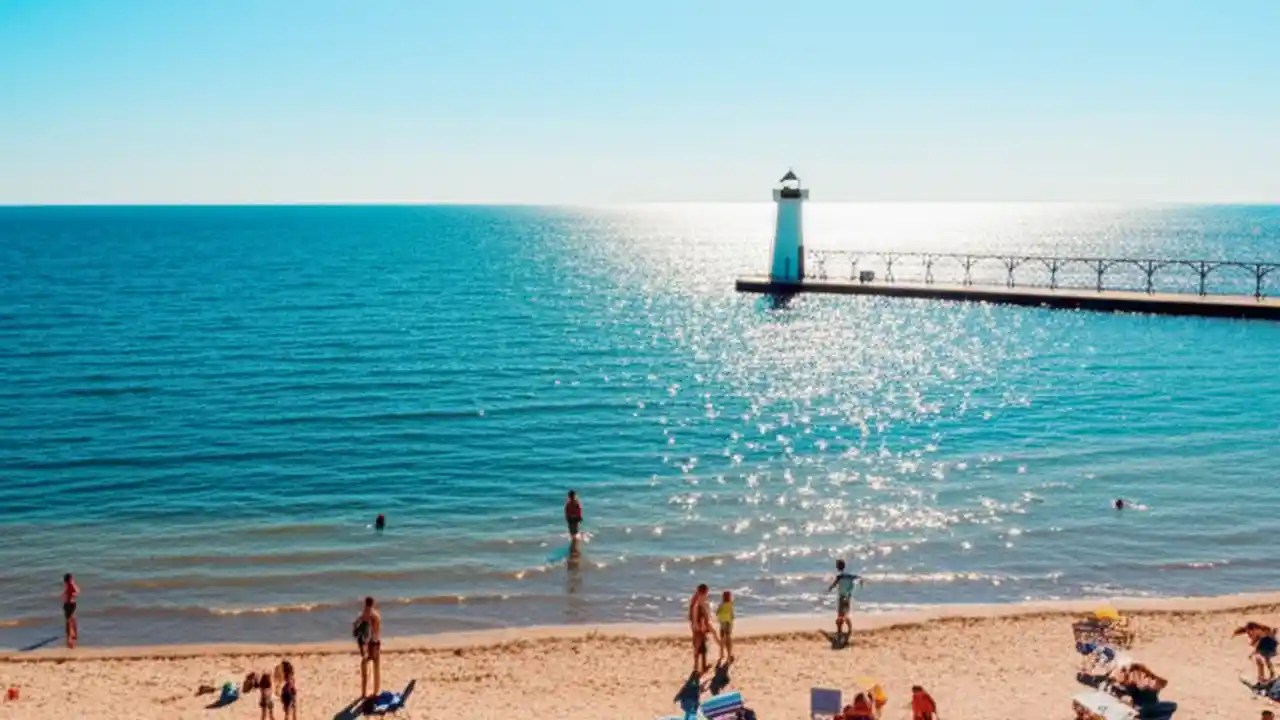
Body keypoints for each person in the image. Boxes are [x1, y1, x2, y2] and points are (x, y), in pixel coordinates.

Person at [354, 597, 383, 699]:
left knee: (364, 667)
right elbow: (377, 630)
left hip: (368, 644)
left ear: (365, 603)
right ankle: (375, 692)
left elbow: (355, 625)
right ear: (373, 603)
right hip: (376, 643)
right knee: (376, 667)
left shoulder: (364, 614)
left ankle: (364, 693)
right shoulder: (376, 615)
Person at [826, 560, 862, 640]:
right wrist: (860, 581)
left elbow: (833, 585)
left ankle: (839, 631)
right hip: (848, 597)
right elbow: (857, 578)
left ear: (837, 567)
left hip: (842, 597)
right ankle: (849, 630)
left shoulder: (839, 576)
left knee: (840, 615)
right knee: (845, 615)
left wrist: (829, 589)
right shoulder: (849, 576)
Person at [688, 584, 713, 674]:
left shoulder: (695, 599)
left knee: (701, 646)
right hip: (699, 626)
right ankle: (697, 666)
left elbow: (692, 613)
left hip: (698, 626)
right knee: (699, 646)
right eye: (706, 592)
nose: (707, 594)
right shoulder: (699, 601)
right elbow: (698, 614)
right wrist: (696, 624)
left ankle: (700, 666)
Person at [716, 590, 735, 663]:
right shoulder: (730, 604)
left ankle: (721, 655)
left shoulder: (721, 604)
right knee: (728, 639)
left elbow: (717, 613)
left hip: (722, 623)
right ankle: (729, 655)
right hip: (728, 623)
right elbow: (732, 615)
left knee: (722, 639)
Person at [62, 573, 79, 649]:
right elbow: (74, 591)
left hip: (69, 604)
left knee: (68, 621)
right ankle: (74, 635)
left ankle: (70, 641)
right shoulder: (69, 584)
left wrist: (73, 595)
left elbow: (77, 591)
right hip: (70, 604)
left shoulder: (70, 584)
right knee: (72, 619)